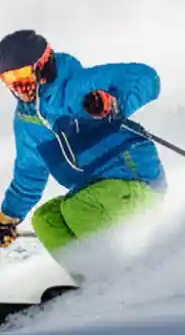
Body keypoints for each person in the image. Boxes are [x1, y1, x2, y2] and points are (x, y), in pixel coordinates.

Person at [0, 29, 165, 258]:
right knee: (46, 220)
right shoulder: (28, 122)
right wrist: (7, 218)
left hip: (135, 179)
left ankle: (120, 270)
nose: (19, 86)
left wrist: (113, 104)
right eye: (9, 79)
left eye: (23, 74)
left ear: (43, 66)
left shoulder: (78, 86)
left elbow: (146, 77)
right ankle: (89, 276)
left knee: (77, 209)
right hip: (93, 191)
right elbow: (29, 173)